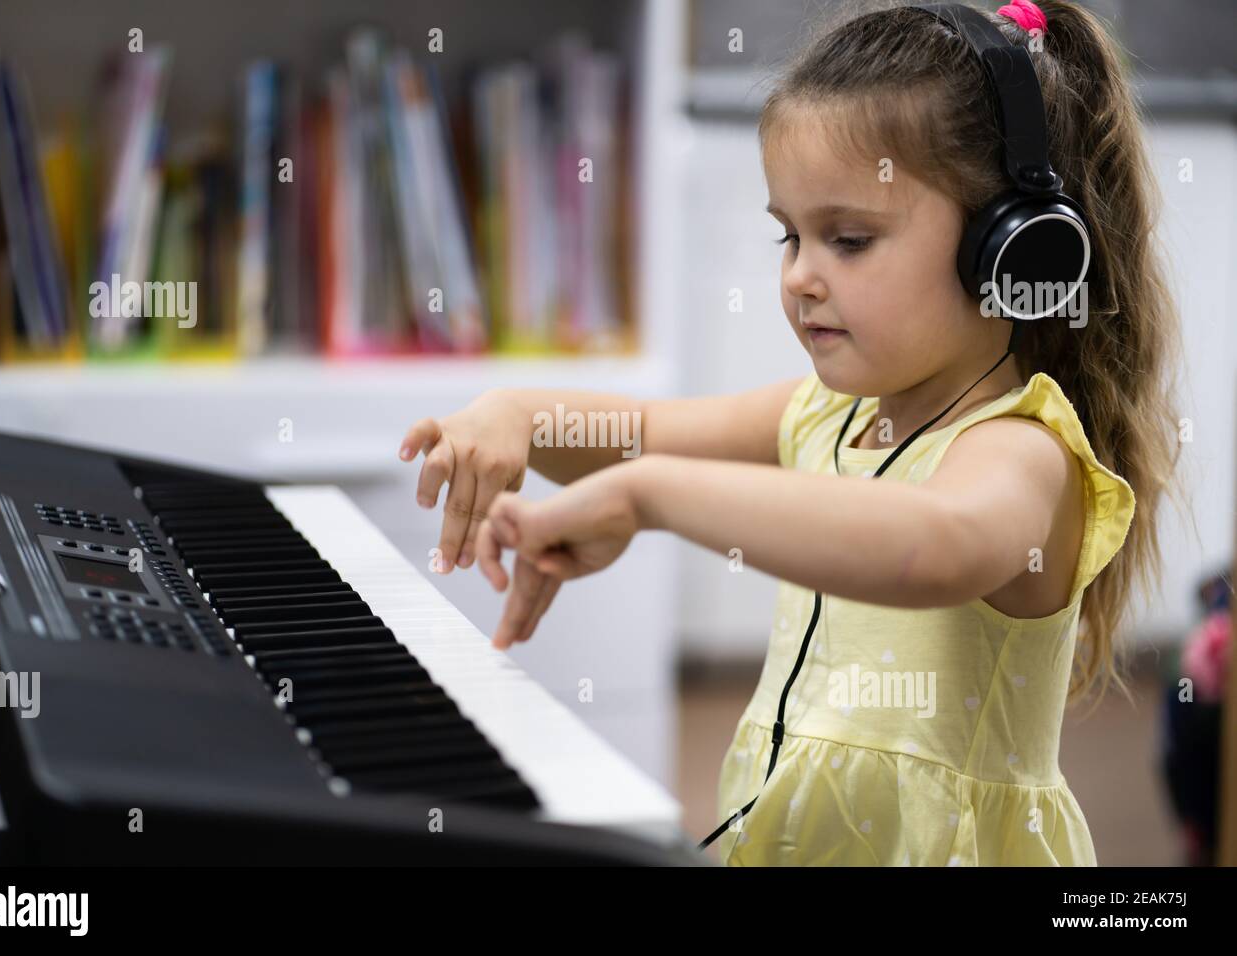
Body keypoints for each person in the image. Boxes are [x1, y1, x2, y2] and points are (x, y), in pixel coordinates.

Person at [398, 0, 1183, 865]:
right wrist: (518, 415)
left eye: (848, 239)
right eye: (790, 235)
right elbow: (637, 432)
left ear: (1011, 249)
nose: (801, 276)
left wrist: (647, 497)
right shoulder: (826, 416)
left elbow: (929, 546)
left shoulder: (1022, 452)